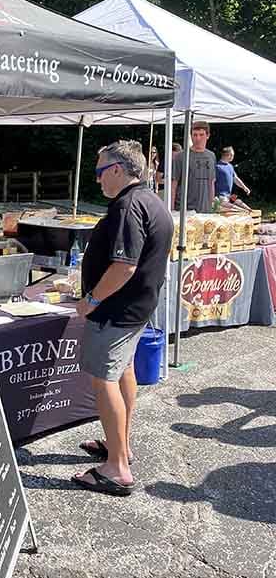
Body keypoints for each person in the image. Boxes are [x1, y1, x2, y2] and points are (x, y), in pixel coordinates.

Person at [73, 140, 173, 497]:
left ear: (117, 169)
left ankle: (116, 468)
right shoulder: (152, 199)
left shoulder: (128, 206)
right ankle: (122, 446)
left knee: (104, 382)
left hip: (116, 311)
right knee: (123, 371)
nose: (98, 180)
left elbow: (125, 266)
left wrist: (91, 300)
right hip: (136, 310)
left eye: (100, 172)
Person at [170, 121, 215, 212]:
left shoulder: (211, 156)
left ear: (208, 136)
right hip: (184, 210)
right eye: (195, 135)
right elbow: (173, 185)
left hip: (205, 209)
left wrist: (211, 205)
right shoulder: (181, 156)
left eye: (201, 135)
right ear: (191, 136)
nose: (198, 138)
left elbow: (211, 183)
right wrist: (171, 209)